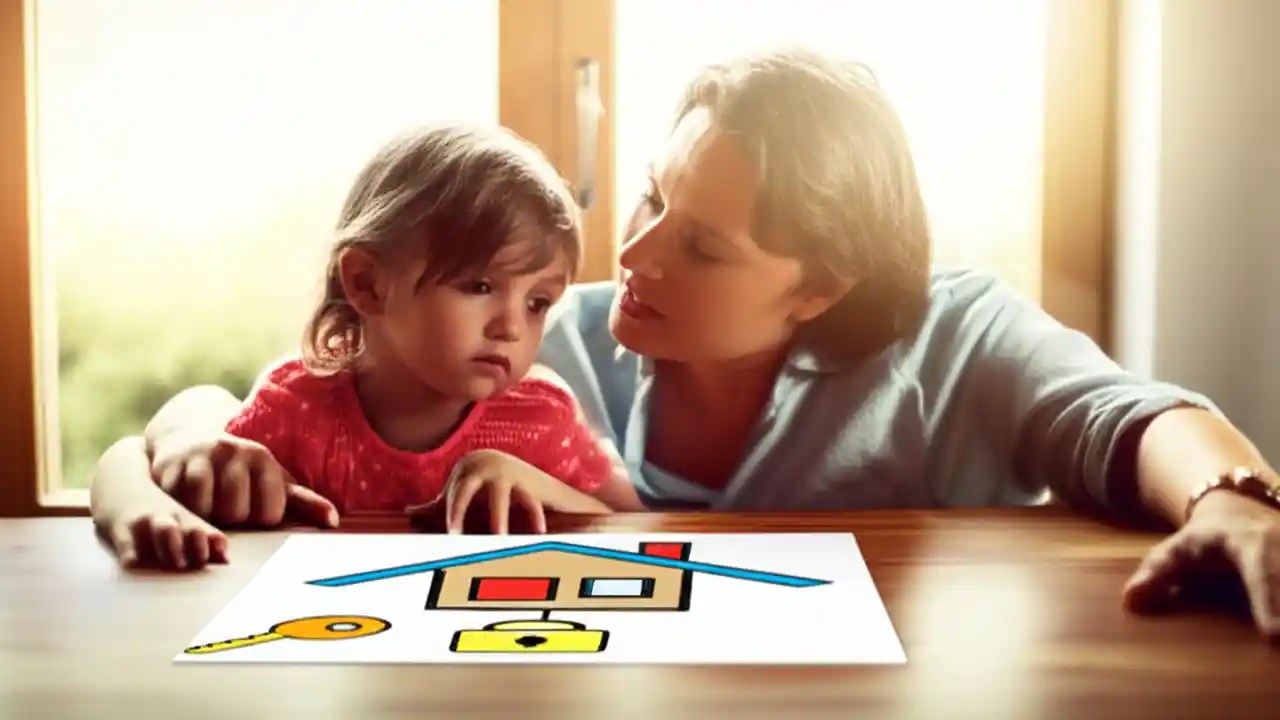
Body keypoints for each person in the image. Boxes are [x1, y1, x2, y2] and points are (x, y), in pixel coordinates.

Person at [91, 48, 1278, 637]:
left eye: (703, 248)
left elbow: (1128, 418)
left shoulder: (954, 334)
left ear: (820, 285)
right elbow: (306, 405)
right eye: (651, 200)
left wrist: (1231, 498)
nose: (639, 256)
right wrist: (188, 430)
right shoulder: (554, 332)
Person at [89, 124, 645, 569]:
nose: (511, 328)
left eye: (538, 302)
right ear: (367, 283)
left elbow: (634, 522)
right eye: (479, 286)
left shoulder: (537, 418)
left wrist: (536, 483)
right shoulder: (297, 411)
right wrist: (139, 508)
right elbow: (132, 457)